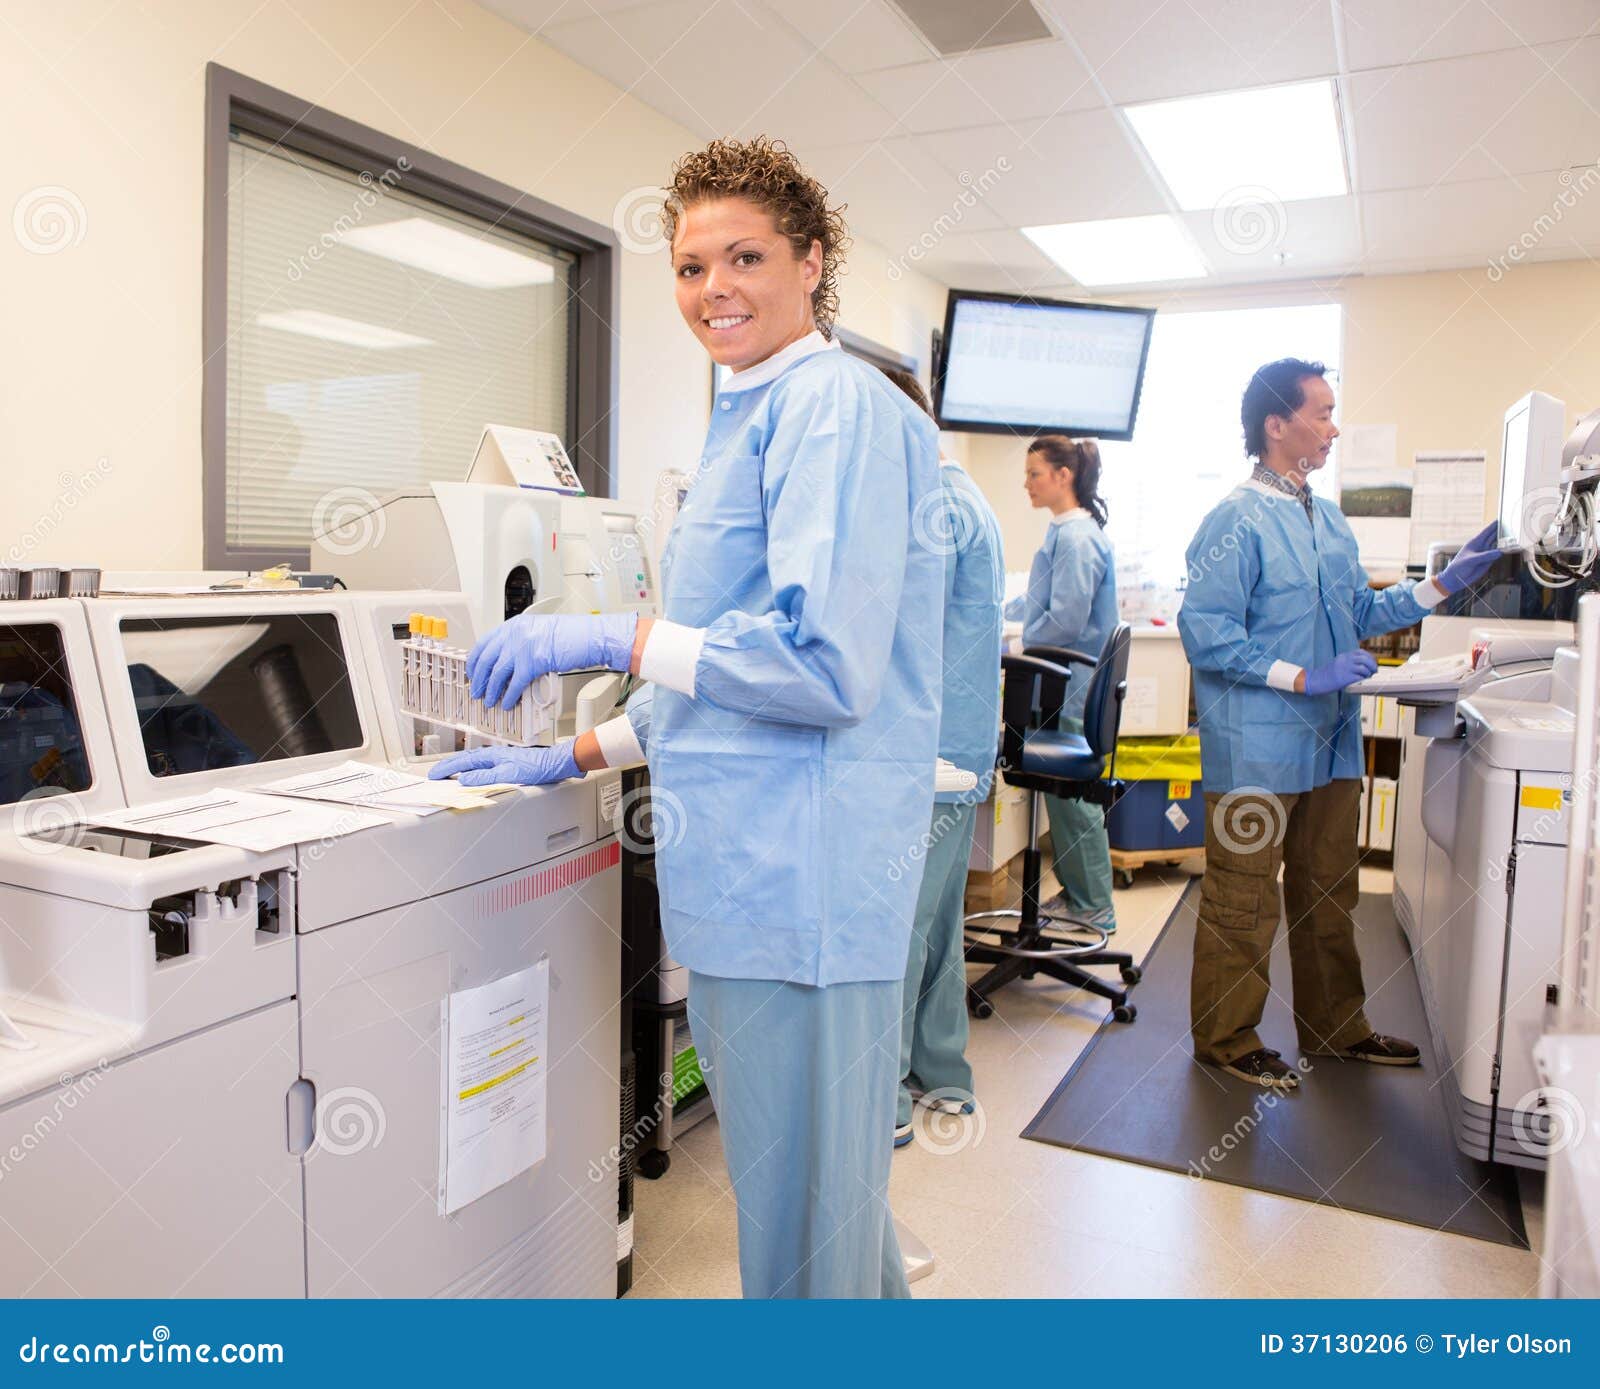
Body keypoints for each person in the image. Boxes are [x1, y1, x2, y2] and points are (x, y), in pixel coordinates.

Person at [431, 137, 945, 1297]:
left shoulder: (832, 411)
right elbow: (710, 685)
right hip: (752, 882)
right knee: (831, 1226)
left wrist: (608, 636)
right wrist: (568, 752)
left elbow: (819, 669)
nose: (712, 289)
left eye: (745, 257)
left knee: (807, 1240)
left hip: (799, 895)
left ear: (811, 262)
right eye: (688, 266)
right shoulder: (750, 414)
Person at [1179, 358, 1505, 1090]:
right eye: (1321, 413)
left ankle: (1334, 1027)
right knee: (1245, 898)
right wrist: (1301, 675)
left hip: (1328, 743)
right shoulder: (1232, 520)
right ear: (1276, 424)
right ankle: (1227, 1040)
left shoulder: (1326, 517)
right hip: (1257, 748)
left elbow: (1361, 611)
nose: (1332, 428)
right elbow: (1207, 633)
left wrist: (1443, 583)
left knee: (1330, 889)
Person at [880, 367, 1004, 1150]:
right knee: (935, 922)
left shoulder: (929, 509)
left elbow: (903, 636)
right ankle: (943, 1072)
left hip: (927, 755)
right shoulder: (969, 497)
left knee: (898, 927)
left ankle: (884, 1093)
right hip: (962, 748)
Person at [1004, 436, 1120, 934]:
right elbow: (1039, 602)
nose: (1026, 484)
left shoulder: (1075, 538)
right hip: (1066, 682)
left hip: (1070, 685)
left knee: (1073, 805)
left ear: (1063, 476)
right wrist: (1005, 616)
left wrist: (1019, 637)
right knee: (1067, 803)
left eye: (1034, 474)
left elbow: (1065, 621)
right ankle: (1081, 897)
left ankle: (1093, 905)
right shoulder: (1066, 532)